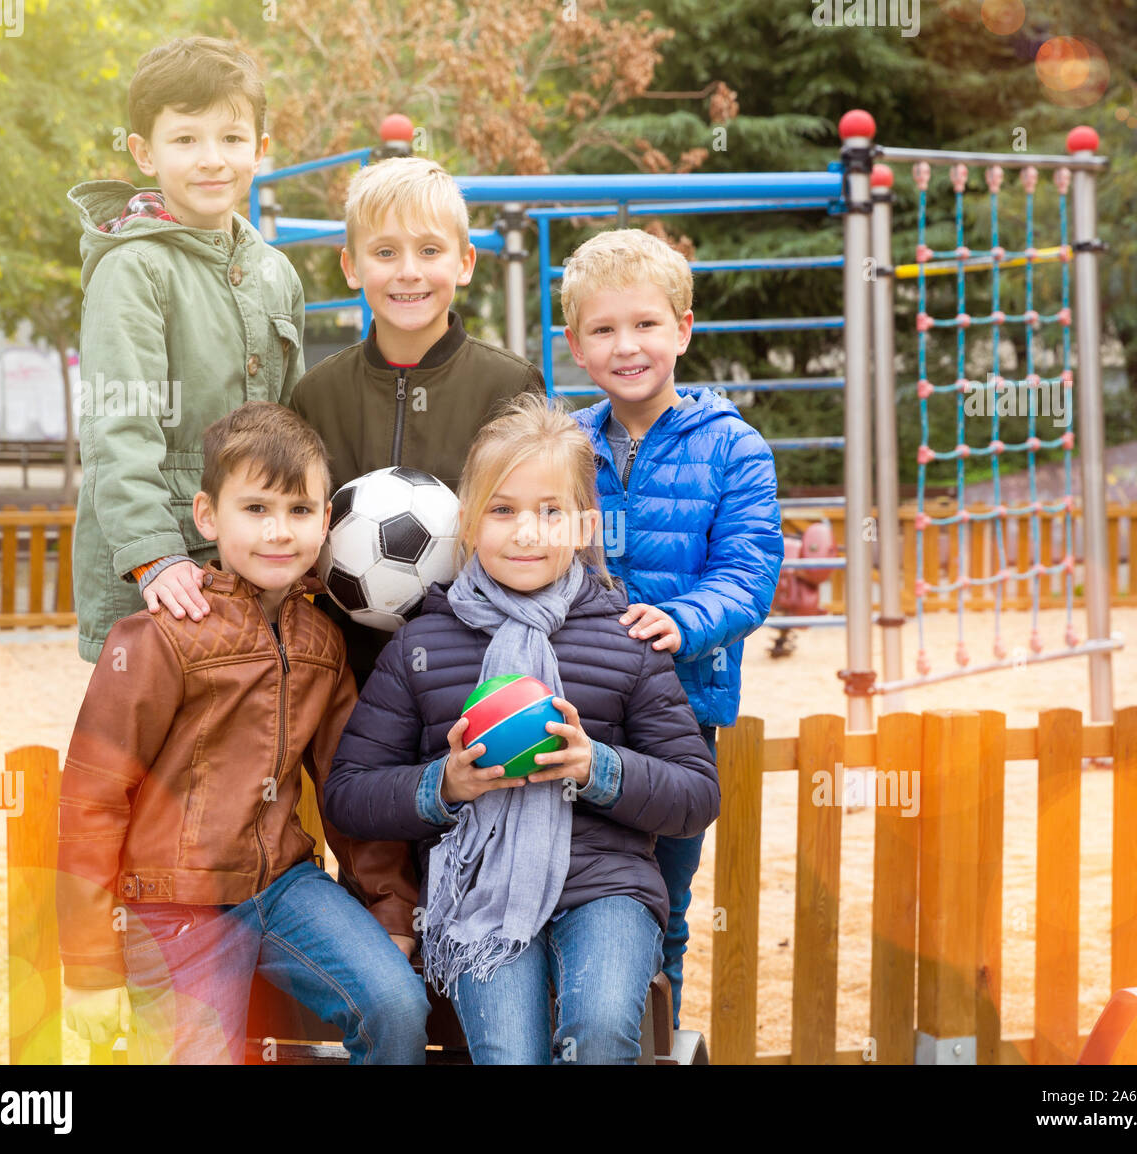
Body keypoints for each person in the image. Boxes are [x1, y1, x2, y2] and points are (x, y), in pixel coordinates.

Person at [323, 393, 719, 1064]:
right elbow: (349, 792)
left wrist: (600, 768)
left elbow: (696, 795)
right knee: (509, 1053)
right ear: (470, 526)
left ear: (582, 524)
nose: (526, 532)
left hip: (607, 887)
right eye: (502, 511)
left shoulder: (625, 640)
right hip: (478, 896)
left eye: (549, 511)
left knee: (598, 1031)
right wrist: (440, 785)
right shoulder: (424, 645)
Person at [56, 403, 429, 1064]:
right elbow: (91, 801)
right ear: (207, 517)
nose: (278, 533)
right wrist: (88, 968)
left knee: (396, 1005)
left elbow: (349, 787)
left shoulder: (323, 640)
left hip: (283, 888)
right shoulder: (158, 637)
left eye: (299, 511)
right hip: (176, 904)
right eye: (255, 510)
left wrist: (391, 908)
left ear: (326, 521)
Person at [561, 228, 783, 1028]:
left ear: (684, 329)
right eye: (605, 330)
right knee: (572, 897)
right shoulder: (566, 446)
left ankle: (652, 1043)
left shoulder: (734, 449)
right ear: (576, 347)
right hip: (577, 711)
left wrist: (684, 620)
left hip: (675, 719)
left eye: (647, 324)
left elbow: (749, 572)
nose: (629, 346)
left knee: (661, 908)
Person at [67, 36, 306, 663]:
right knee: (150, 754)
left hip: (255, 562)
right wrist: (153, 555)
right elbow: (118, 427)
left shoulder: (276, 273)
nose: (212, 160)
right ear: (145, 152)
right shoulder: (134, 270)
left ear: (259, 148)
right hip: (159, 575)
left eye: (231, 139)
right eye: (185, 139)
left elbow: (291, 426)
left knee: (245, 745)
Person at [290, 155, 545, 688]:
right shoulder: (318, 393)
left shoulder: (511, 386)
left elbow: (537, 524)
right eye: (385, 252)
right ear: (352, 267)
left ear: (465, 262)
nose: (408, 271)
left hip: (471, 664)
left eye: (429, 250)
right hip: (345, 667)